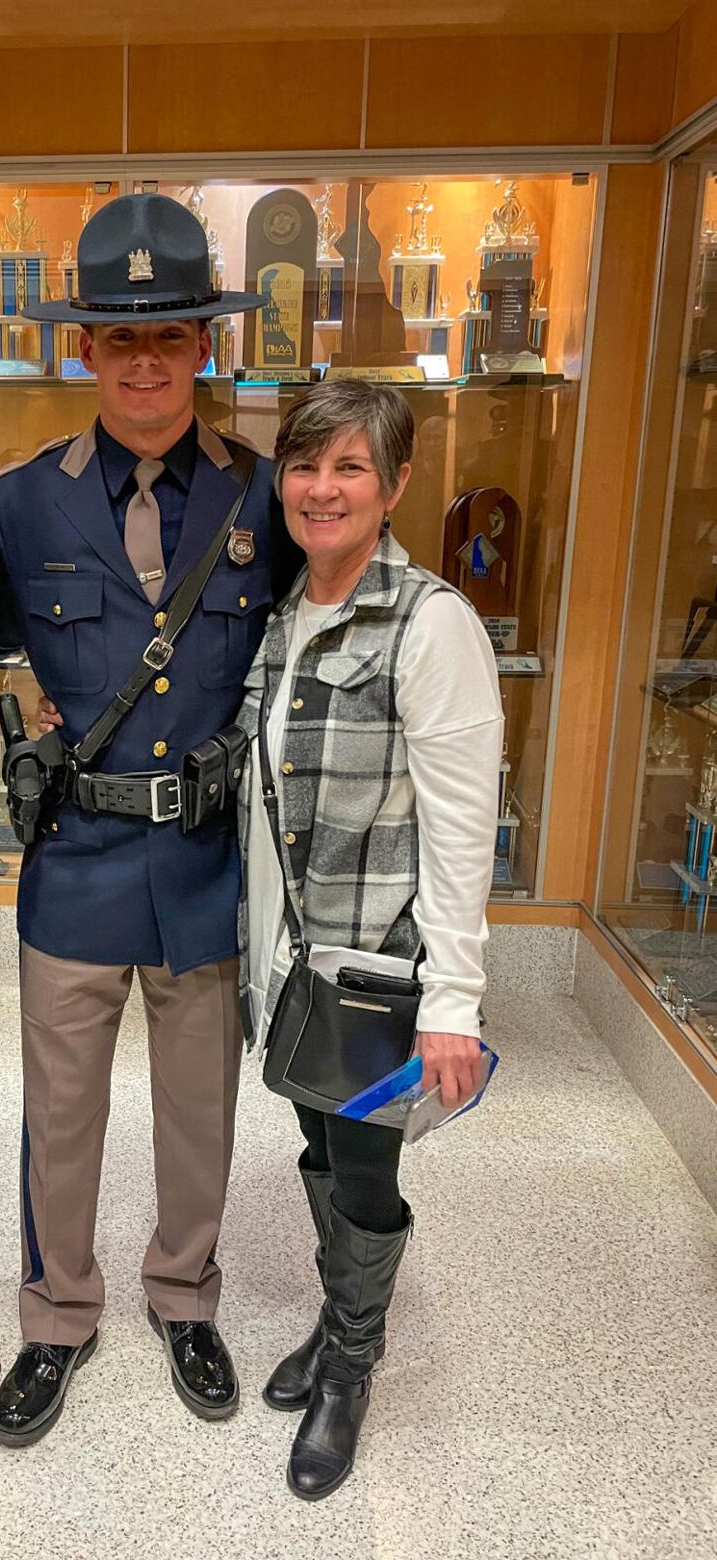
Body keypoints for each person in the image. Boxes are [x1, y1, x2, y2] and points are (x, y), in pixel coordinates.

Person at [0, 193, 300, 1446]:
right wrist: (22, 730)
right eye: (123, 339)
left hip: (206, 865)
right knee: (58, 1111)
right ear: (86, 352)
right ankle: (58, 1316)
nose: (149, 361)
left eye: (171, 335)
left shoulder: (267, 497)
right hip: (74, 862)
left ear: (205, 346)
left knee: (196, 1107)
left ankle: (185, 1294)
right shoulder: (20, 504)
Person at [238, 378, 502, 1501]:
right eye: (305, 465)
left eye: (351, 467)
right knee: (319, 1142)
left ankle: (352, 1361)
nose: (323, 487)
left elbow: (459, 823)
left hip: (380, 971)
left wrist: (453, 997)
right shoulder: (286, 611)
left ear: (395, 486)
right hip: (299, 963)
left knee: (364, 1168)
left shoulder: (433, 622)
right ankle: (339, 1317)